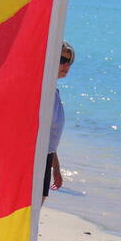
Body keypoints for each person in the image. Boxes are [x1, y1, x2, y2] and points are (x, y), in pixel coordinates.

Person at [44, 42, 75, 198]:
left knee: (35, 209)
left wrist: (56, 168)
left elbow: (50, 137)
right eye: (62, 60)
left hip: (46, 158)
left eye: (69, 62)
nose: (66, 65)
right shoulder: (43, 91)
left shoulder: (54, 92)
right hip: (35, 157)